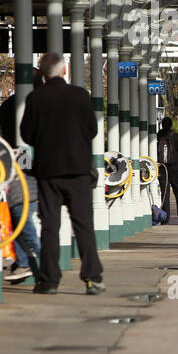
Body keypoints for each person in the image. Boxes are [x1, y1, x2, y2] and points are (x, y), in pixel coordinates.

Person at [19, 53, 104, 295]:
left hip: (48, 173)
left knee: (49, 227)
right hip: (78, 171)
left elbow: (26, 135)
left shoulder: (36, 98)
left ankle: (49, 280)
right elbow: (92, 129)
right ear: (65, 71)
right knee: (84, 226)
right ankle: (92, 278)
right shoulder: (80, 96)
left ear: (43, 74)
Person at [0, 97, 40, 285]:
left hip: (16, 176)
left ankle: (42, 262)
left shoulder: (11, 109)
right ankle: (24, 263)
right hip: (22, 174)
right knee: (20, 222)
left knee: (22, 222)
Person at [155, 117, 178, 225]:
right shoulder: (175, 136)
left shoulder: (158, 135)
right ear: (171, 125)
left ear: (162, 125)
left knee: (165, 193)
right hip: (175, 168)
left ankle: (165, 219)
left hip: (162, 167)